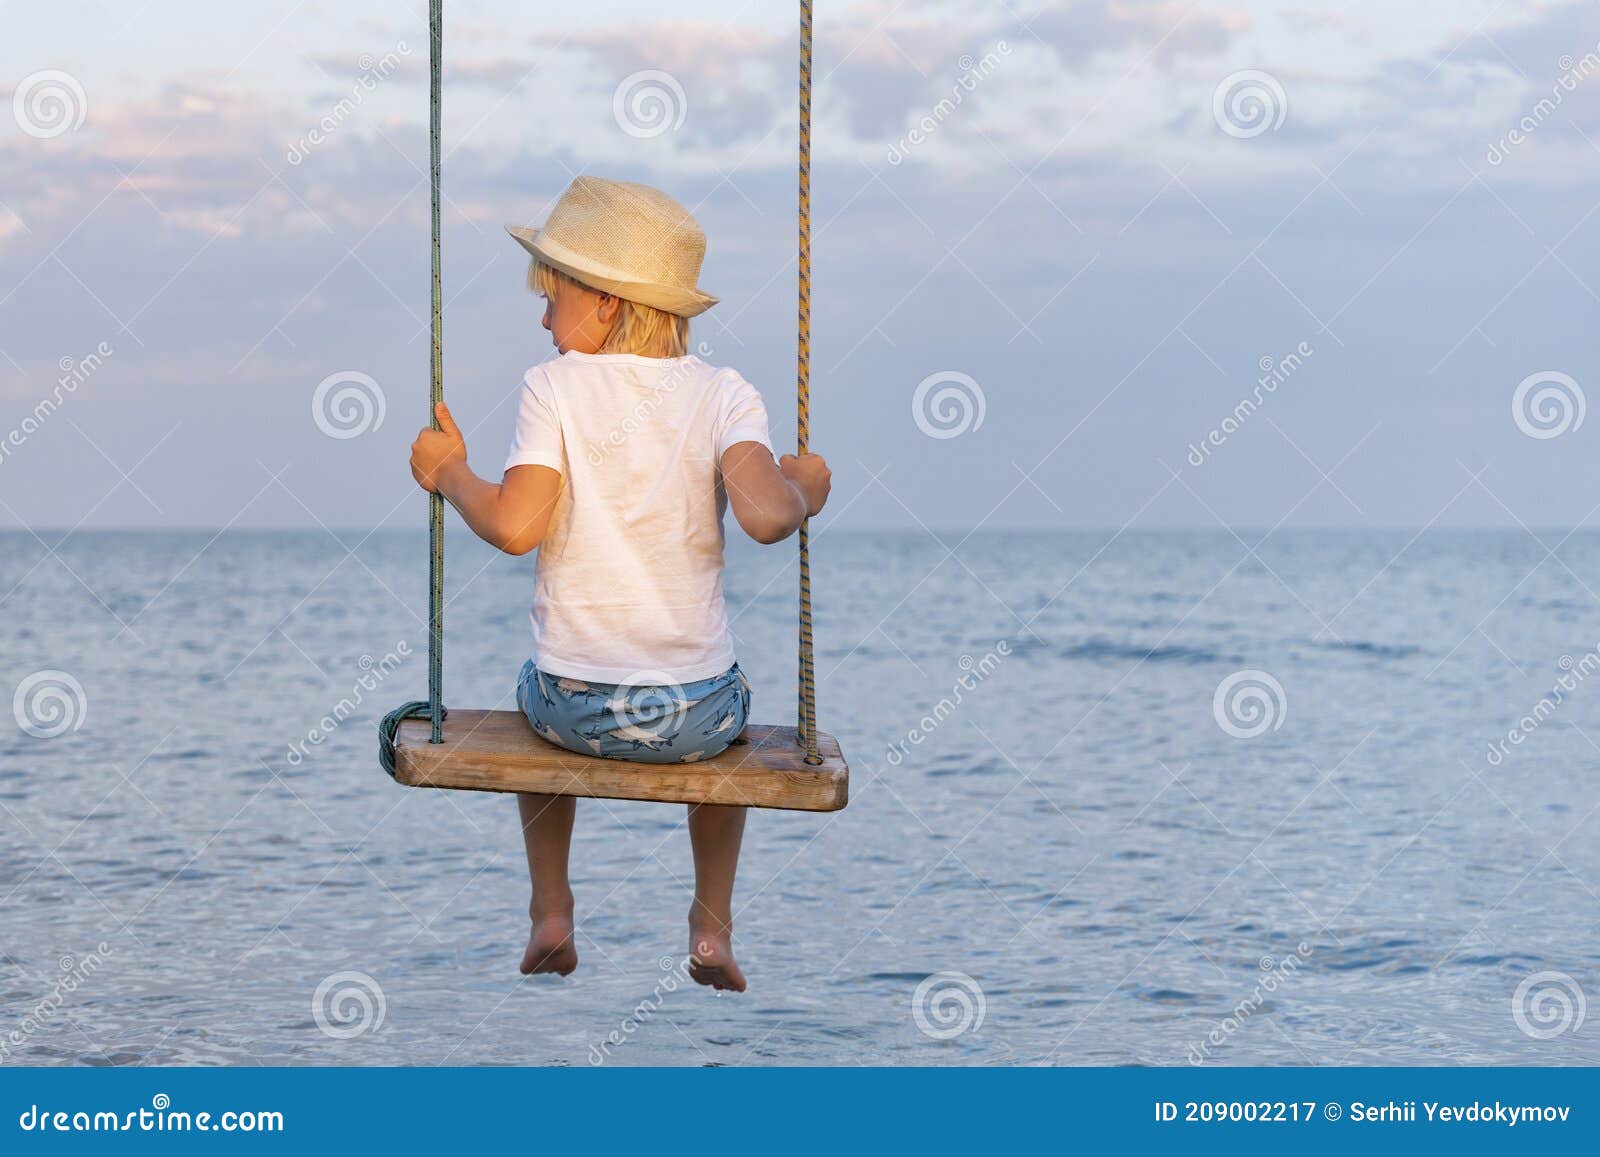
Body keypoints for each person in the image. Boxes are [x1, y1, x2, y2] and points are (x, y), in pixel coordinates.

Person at [408, 176, 832, 992]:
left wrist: (447, 471)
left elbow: (515, 526)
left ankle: (552, 909)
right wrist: (806, 484)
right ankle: (711, 927)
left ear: (603, 303)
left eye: (551, 293)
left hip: (570, 708)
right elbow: (769, 517)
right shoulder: (722, 392)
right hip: (693, 714)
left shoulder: (554, 384)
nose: (542, 316)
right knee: (733, 715)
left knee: (533, 689)